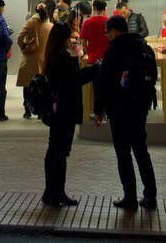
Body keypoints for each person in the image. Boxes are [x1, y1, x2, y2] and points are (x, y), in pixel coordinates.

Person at [94, 15, 157, 211]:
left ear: (114, 31)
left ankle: (130, 197)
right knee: (141, 150)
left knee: (123, 153)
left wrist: (99, 110)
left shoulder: (113, 51)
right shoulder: (144, 47)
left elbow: (103, 83)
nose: (106, 35)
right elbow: (153, 76)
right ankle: (150, 196)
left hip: (119, 109)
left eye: (107, 32)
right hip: (139, 108)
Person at [42, 21, 97, 207]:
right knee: (61, 152)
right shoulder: (63, 58)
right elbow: (75, 81)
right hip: (65, 109)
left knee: (54, 150)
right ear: (63, 39)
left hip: (56, 109)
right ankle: (57, 193)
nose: (73, 41)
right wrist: (95, 70)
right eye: (71, 38)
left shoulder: (51, 55)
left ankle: (51, 192)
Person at [16, 0, 53, 118]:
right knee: (42, 85)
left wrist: (24, 47)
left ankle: (27, 109)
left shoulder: (31, 22)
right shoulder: (50, 25)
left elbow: (19, 38)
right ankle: (40, 110)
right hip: (44, 59)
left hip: (30, 57)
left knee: (27, 85)